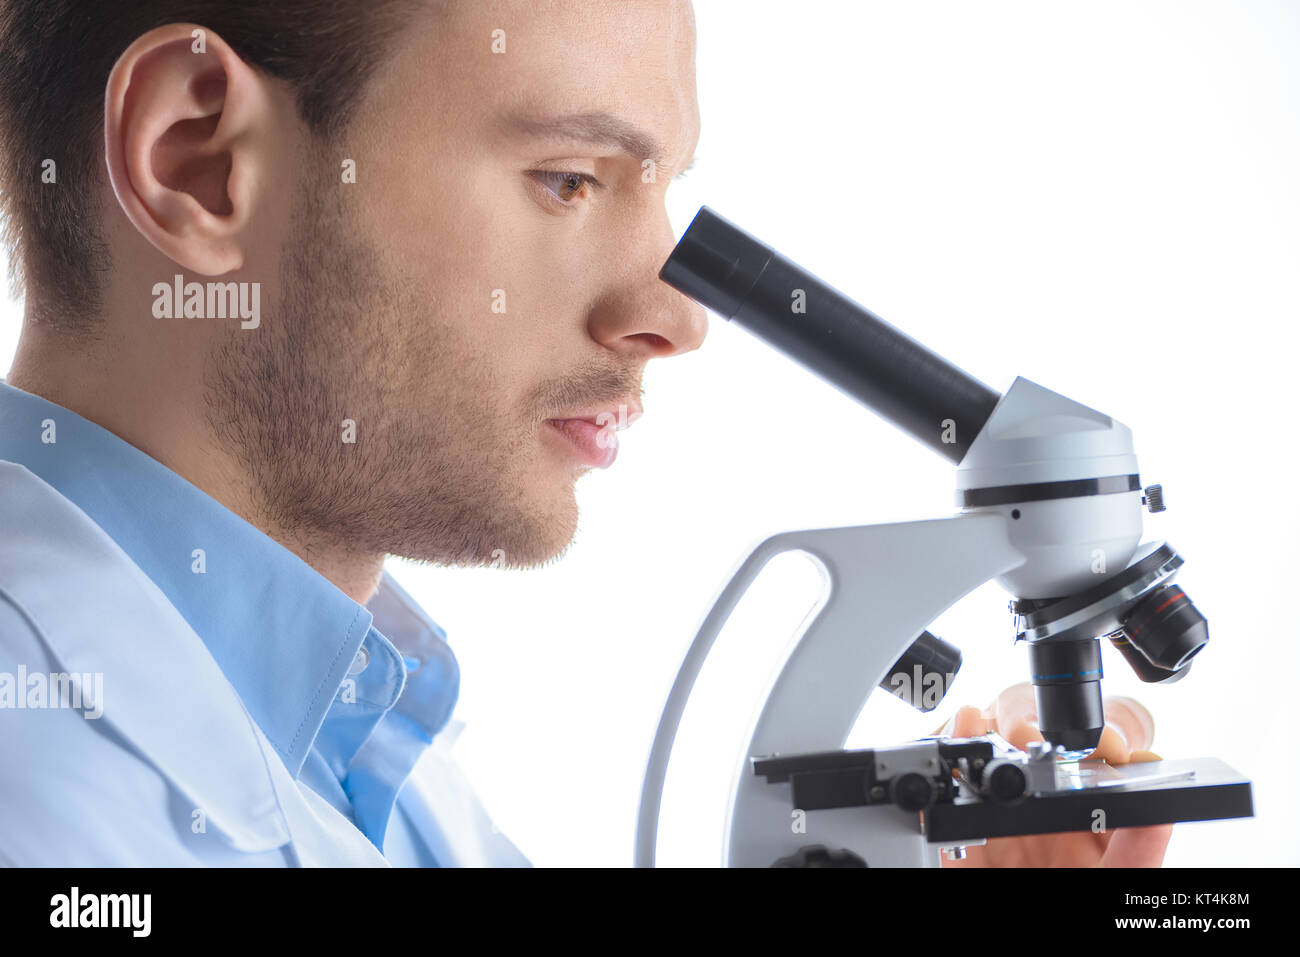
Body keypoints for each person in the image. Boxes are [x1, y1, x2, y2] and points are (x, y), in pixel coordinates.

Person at [0, 0, 1170, 866]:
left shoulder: (364, 756)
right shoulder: (45, 803)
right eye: (568, 180)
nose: (670, 317)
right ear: (197, 163)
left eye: (656, 192)